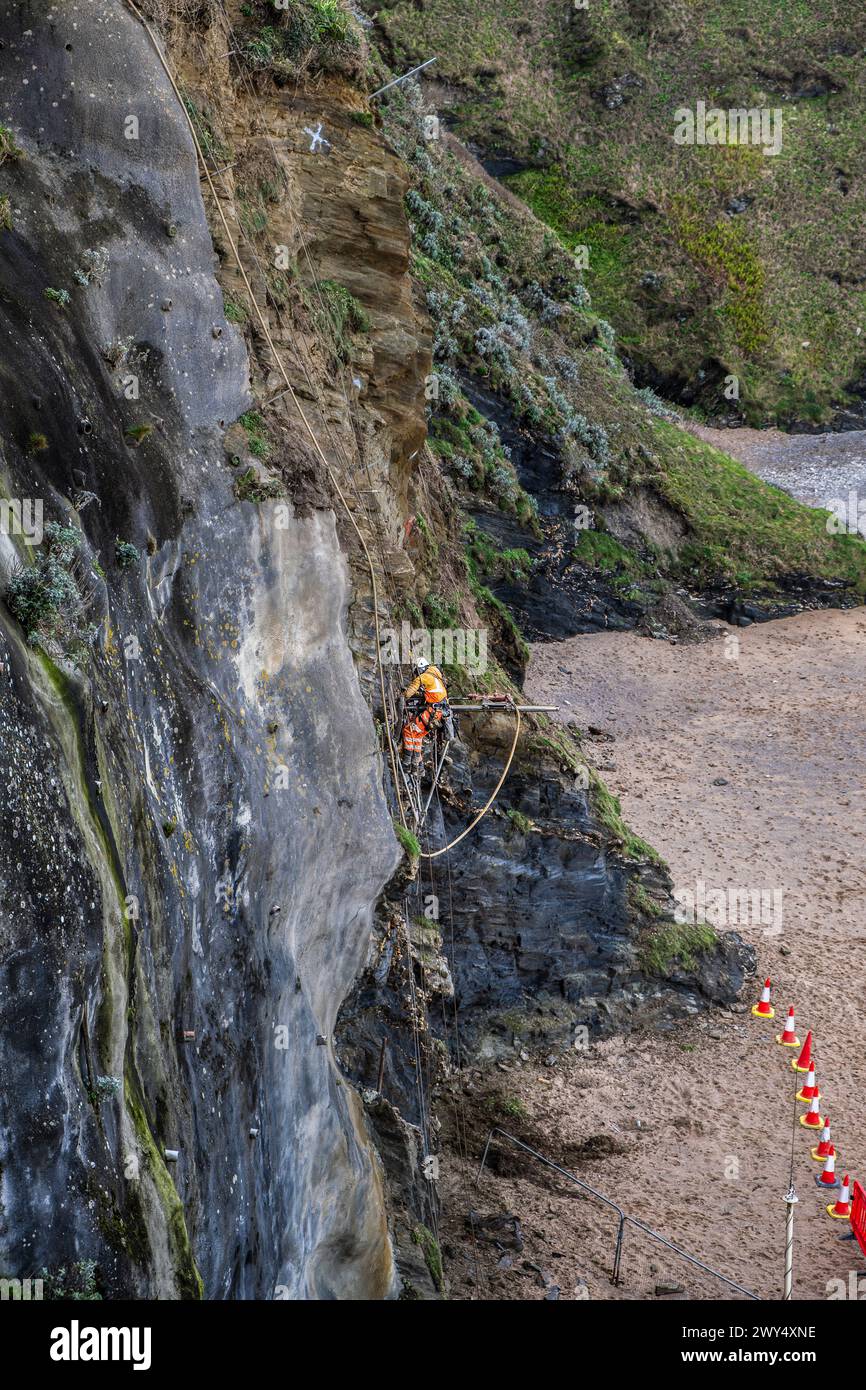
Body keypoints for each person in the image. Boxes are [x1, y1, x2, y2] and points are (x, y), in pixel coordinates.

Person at [400, 657, 453, 774]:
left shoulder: (424, 677)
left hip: (433, 713)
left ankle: (406, 763)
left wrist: (403, 695)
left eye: (416, 671)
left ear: (419, 669)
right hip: (440, 713)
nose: (416, 674)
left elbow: (409, 693)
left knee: (408, 731)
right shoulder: (437, 676)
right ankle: (417, 766)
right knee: (417, 735)